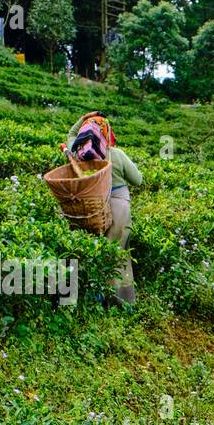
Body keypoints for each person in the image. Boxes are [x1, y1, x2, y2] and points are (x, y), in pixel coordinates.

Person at [64, 112, 142, 305]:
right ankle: (120, 302)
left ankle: (90, 298)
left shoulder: (77, 153)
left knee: (93, 254)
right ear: (106, 133)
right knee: (117, 255)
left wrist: (84, 117)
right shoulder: (116, 154)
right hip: (118, 210)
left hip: (90, 210)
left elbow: (71, 133)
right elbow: (138, 180)